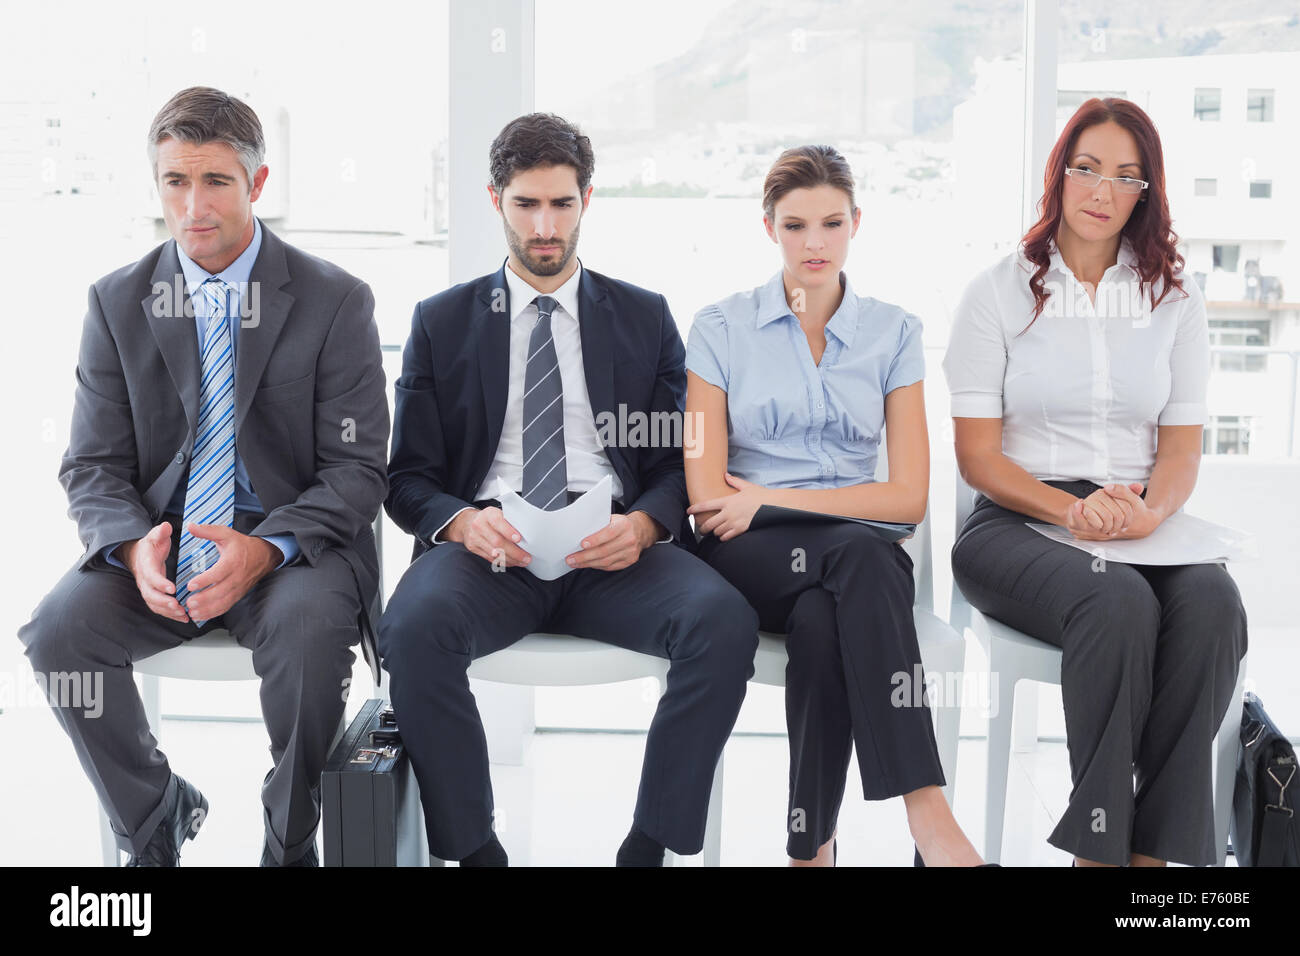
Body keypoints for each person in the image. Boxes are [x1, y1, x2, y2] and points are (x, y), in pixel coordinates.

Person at [18, 87, 390, 867]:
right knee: (58, 634)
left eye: (216, 181)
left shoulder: (334, 300)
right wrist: (130, 548)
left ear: (257, 184)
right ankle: (154, 817)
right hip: (164, 542)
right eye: (174, 183)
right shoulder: (117, 301)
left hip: (293, 552)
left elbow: (357, 470)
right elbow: (92, 464)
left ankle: (290, 837)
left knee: (311, 635)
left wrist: (266, 549)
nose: (193, 206)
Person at [379, 112, 759, 867]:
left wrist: (648, 526)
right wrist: (459, 523)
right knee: (411, 632)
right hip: (492, 551)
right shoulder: (442, 321)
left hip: (612, 549)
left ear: (589, 199)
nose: (545, 226)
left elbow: (674, 460)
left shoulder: (644, 316)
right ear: (495, 201)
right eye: (526, 204)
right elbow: (407, 479)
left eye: (562, 203)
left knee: (724, 622)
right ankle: (476, 849)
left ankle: (648, 846)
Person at [944, 97, 1247, 867]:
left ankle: (1154, 860)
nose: (1100, 190)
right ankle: (1100, 853)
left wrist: (1149, 513)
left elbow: (1180, 452)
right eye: (1086, 168)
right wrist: (1072, 513)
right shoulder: (998, 292)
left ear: (1146, 191)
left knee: (1214, 602)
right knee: (1115, 600)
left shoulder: (1173, 299)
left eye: (1124, 175)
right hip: (1018, 516)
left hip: (1136, 516)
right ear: (1060, 174)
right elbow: (979, 458)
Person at [684, 145, 985, 867]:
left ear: (856, 223)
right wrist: (796, 508)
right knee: (863, 553)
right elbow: (705, 498)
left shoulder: (894, 333)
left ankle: (808, 850)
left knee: (825, 620)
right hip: (747, 555)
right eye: (794, 226)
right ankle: (929, 815)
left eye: (830, 223)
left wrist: (772, 498)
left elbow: (909, 497)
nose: (813, 243)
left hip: (836, 558)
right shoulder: (719, 329)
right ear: (769, 229)